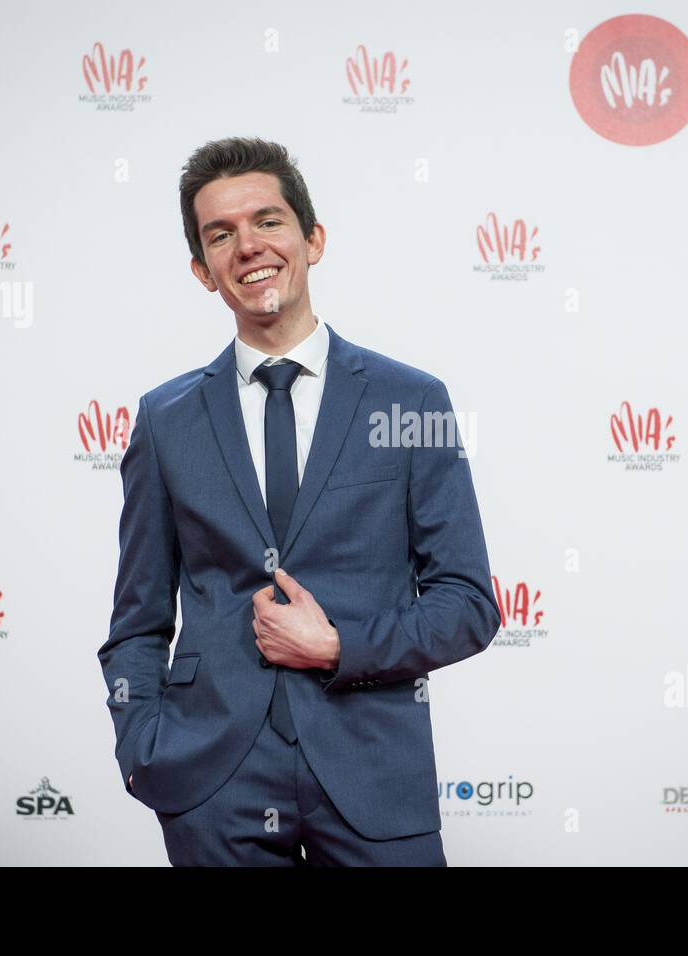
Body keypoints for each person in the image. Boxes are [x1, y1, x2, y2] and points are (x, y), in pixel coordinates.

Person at [97, 136, 500, 866]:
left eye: (268, 221)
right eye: (221, 235)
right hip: (210, 782)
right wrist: (143, 747)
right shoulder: (166, 420)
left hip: (373, 770)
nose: (248, 246)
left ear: (313, 240)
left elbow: (467, 604)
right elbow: (137, 620)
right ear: (202, 270)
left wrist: (340, 646)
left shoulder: (412, 400)